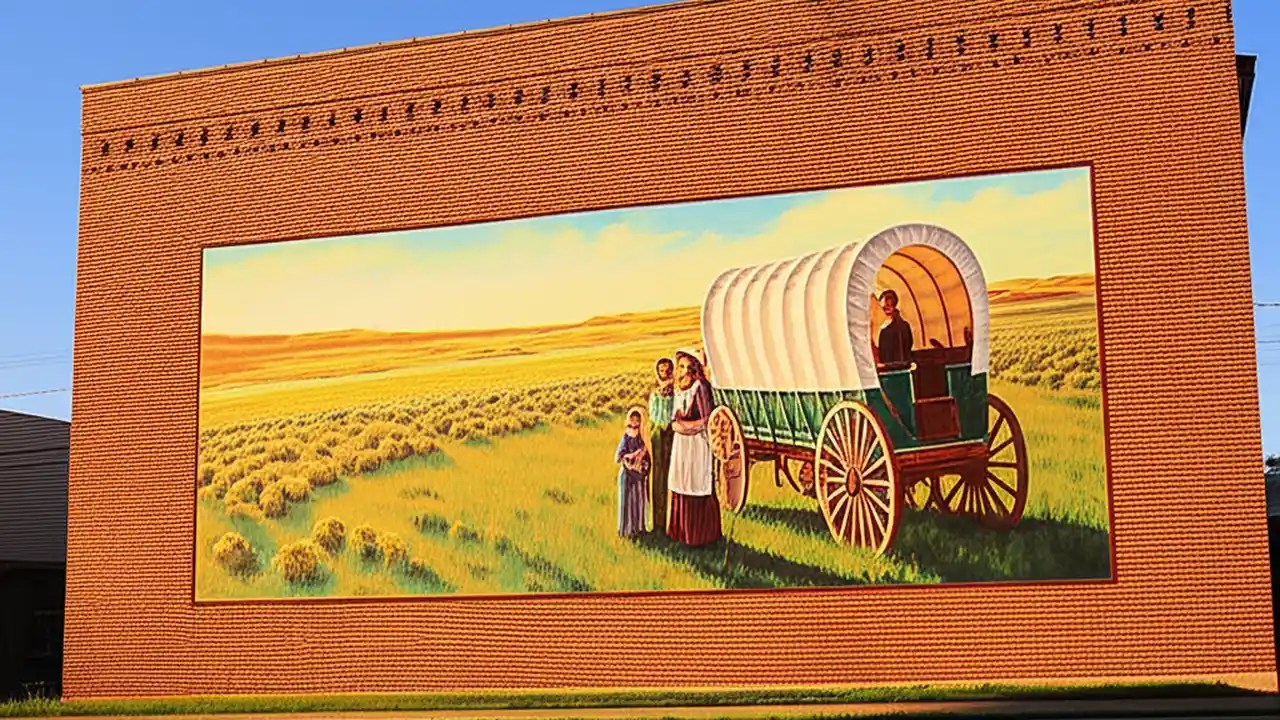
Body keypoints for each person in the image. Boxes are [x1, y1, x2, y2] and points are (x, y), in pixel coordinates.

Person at [666, 348, 723, 547]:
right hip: (681, 444)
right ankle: (679, 533)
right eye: (681, 367)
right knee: (681, 480)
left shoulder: (700, 387)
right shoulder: (677, 389)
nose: (684, 372)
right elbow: (673, 418)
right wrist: (677, 426)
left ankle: (700, 536)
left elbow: (708, 419)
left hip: (697, 443)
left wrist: (688, 427)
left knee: (696, 482)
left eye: (689, 367)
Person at [647, 358, 675, 534]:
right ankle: (658, 523)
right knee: (658, 477)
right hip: (658, 434)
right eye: (661, 371)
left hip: (673, 434)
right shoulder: (655, 394)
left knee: (674, 476)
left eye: (667, 371)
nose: (664, 375)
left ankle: (673, 523)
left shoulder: (677, 393)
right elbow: (654, 416)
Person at [614, 408, 650, 539]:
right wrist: (632, 455)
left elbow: (647, 457)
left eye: (637, 423)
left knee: (638, 502)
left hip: (638, 477)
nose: (634, 426)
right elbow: (618, 457)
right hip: (627, 476)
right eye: (631, 422)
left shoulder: (642, 439)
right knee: (627, 503)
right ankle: (626, 531)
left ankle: (638, 529)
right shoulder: (626, 438)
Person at [876, 289, 914, 365]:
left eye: (886, 306)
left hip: (891, 368)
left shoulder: (888, 330)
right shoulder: (905, 325)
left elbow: (884, 353)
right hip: (904, 366)